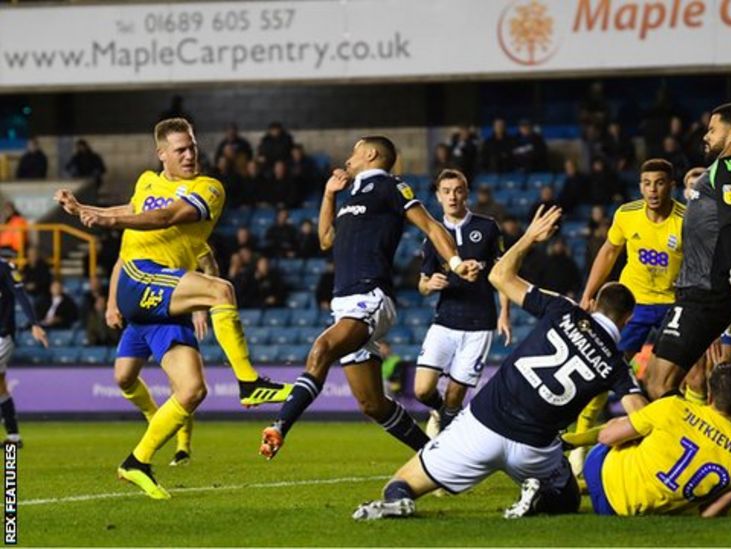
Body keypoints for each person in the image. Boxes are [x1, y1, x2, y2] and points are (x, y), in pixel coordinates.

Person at [352, 206, 648, 521]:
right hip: (535, 450)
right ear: (628, 319)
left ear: (595, 303)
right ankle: (539, 494)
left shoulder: (564, 309)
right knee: (567, 500)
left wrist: (529, 237)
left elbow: (498, 276)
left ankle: (400, 502)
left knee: (401, 484)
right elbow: (641, 418)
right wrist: (593, 436)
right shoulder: (616, 365)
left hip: (482, 425)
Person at [55, 118, 291, 498]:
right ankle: (248, 383)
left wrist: (106, 218)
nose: (189, 155)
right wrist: (86, 208)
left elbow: (167, 217)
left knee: (193, 390)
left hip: (165, 298)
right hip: (137, 278)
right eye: (180, 149)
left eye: (192, 147)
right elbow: (133, 208)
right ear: (161, 154)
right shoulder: (146, 181)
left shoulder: (209, 188)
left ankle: (137, 462)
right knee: (221, 291)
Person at [258, 136, 481, 460]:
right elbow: (325, 240)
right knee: (372, 404)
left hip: (371, 296)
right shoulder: (351, 196)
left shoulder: (391, 186)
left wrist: (457, 264)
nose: (348, 158)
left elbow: (432, 228)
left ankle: (279, 426)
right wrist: (328, 195)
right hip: (344, 303)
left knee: (322, 349)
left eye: (354, 152)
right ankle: (436, 458)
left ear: (371, 154)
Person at [571, 159, 686, 474]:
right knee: (604, 367)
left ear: (671, 186)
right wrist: (589, 292)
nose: (653, 190)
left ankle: (682, 442)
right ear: (640, 186)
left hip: (673, 305)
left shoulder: (685, 220)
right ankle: (580, 445)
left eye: (659, 183)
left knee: (678, 378)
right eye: (647, 183)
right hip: (632, 305)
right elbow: (609, 252)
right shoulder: (626, 214)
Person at [645, 103, 731, 401]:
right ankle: (693, 429)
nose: (706, 136)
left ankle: (697, 433)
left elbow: (729, 229)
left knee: (660, 384)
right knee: (659, 380)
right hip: (694, 289)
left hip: (706, 292)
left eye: (713, 130)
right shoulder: (719, 172)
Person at [584, 364, 731, 517]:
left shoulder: (673, 406)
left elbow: (606, 437)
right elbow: (708, 513)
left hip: (599, 472)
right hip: (620, 511)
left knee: (627, 426)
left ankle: (576, 469)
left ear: (710, 396)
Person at [415, 169, 511, 436]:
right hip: (445, 321)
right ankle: (441, 412)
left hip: (479, 324)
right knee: (422, 390)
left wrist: (504, 312)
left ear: (466, 193)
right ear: (438, 196)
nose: (452, 197)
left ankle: (444, 447)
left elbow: (502, 274)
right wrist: (428, 285)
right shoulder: (433, 234)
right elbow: (422, 284)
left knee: (455, 397)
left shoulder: (487, 227)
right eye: (446, 192)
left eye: (458, 191)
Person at [0, 255, 48, 447]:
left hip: (3, 335)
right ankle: (13, 437)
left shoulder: (5, 268)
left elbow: (20, 295)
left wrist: (34, 323)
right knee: (1, 387)